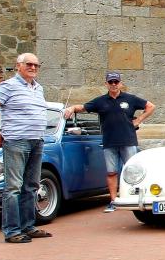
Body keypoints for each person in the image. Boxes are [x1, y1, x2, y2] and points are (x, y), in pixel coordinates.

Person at [0, 53, 52, 243]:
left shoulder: (38, 88)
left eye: (36, 65)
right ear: (18, 66)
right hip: (16, 141)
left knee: (31, 186)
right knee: (13, 188)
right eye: (29, 64)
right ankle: (12, 231)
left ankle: (28, 226)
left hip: (36, 141)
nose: (33, 68)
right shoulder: (8, 86)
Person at [63, 72, 155, 212]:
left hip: (128, 140)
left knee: (133, 171)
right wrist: (72, 107)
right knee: (111, 172)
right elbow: (82, 107)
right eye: (110, 82)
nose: (113, 84)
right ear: (106, 84)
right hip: (109, 142)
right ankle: (113, 201)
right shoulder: (100, 101)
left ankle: (136, 199)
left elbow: (150, 106)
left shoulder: (130, 99)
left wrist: (138, 120)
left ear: (120, 83)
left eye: (116, 82)